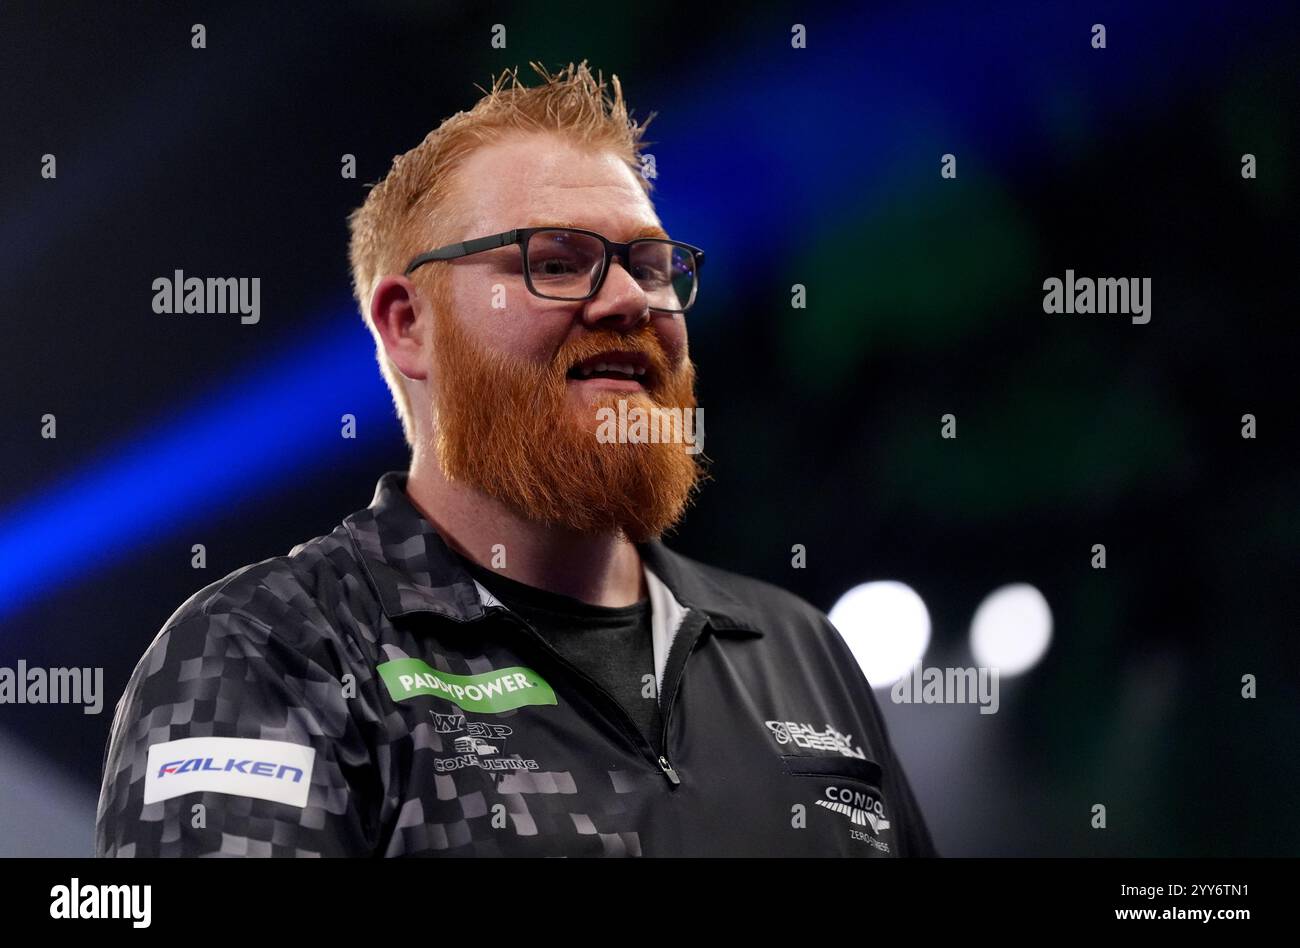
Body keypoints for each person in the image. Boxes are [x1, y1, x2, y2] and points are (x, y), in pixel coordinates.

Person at [95, 61, 937, 858]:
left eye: (650, 265)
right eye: (556, 262)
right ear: (408, 325)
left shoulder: (801, 651)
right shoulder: (276, 649)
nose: (628, 301)